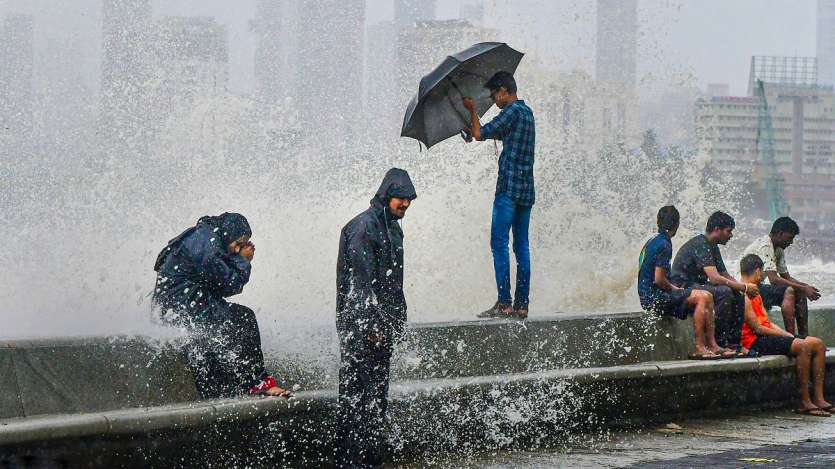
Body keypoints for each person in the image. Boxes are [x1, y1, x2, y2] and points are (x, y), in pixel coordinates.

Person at [153, 213, 291, 399]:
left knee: (206, 346)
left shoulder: (204, 236)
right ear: (229, 233)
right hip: (185, 304)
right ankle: (258, 382)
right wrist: (243, 260)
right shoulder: (207, 244)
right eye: (238, 243)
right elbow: (229, 284)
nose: (237, 249)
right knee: (244, 318)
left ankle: (216, 398)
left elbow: (216, 285)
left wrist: (236, 257)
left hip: (175, 308)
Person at [335, 168, 417, 469]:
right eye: (400, 198)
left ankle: (371, 458)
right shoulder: (362, 227)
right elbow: (361, 282)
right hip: (359, 326)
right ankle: (349, 460)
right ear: (386, 195)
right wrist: (369, 325)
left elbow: (394, 284)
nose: (405, 204)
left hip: (383, 327)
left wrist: (398, 320)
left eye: (409, 199)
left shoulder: (394, 229)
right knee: (355, 396)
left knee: (376, 398)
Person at [462, 71, 536, 319]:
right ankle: (522, 304)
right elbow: (486, 132)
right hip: (526, 191)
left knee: (499, 244)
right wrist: (473, 130)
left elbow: (480, 134)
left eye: (494, 94)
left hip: (508, 191)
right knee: (522, 246)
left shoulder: (511, 111)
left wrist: (472, 110)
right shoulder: (527, 113)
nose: (493, 99)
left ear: (504, 90)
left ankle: (504, 303)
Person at [739, 254, 832, 416]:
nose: (762, 277)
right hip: (754, 342)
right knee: (802, 346)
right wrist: (787, 337)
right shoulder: (744, 294)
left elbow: (767, 322)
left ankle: (819, 398)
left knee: (818, 344)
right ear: (757, 271)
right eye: (761, 273)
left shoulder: (756, 293)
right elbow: (757, 328)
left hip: (767, 336)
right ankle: (804, 401)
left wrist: (787, 334)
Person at [638, 206, 731, 359]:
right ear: (677, 224)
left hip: (647, 296)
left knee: (707, 295)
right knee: (703, 297)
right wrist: (675, 289)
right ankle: (699, 347)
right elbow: (659, 279)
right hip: (654, 299)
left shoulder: (652, 240)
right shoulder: (664, 244)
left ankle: (712, 345)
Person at [670, 211, 758, 353]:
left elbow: (724, 275)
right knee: (725, 292)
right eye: (729, 231)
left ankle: (733, 343)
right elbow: (714, 278)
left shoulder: (713, 246)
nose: (731, 235)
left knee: (737, 293)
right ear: (717, 229)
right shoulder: (701, 244)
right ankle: (719, 342)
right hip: (683, 288)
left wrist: (743, 288)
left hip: (697, 285)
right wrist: (744, 286)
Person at [743, 217, 821, 337]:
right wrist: (803, 288)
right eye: (790, 238)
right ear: (780, 234)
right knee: (790, 290)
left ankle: (804, 336)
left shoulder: (778, 249)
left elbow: (787, 277)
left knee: (799, 292)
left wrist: (805, 287)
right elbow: (774, 280)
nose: (791, 242)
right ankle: (790, 337)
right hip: (746, 289)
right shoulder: (765, 246)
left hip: (758, 287)